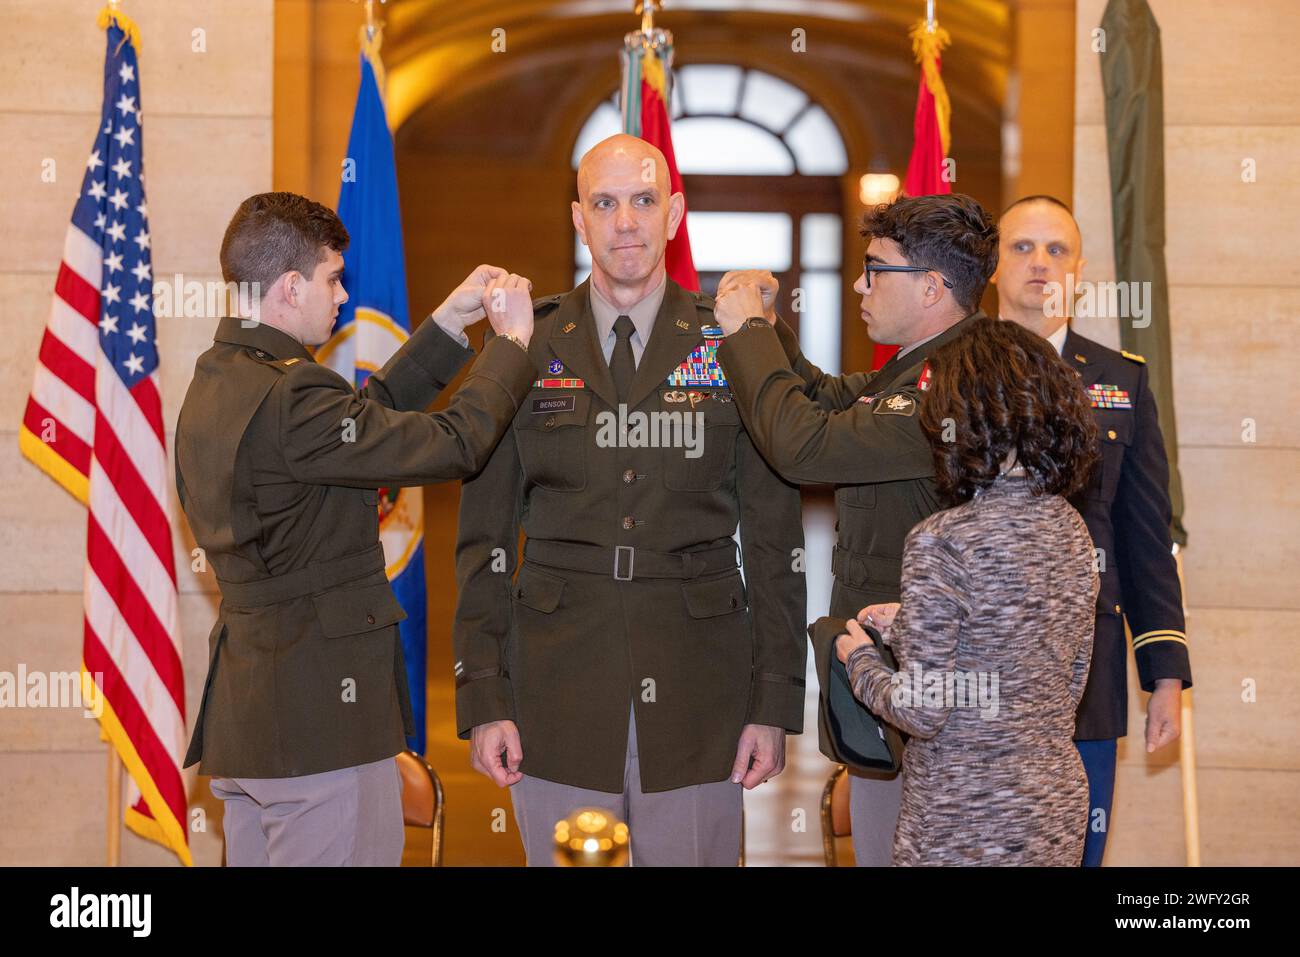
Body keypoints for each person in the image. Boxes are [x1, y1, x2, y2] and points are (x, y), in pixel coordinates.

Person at [452, 134, 807, 866]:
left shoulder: (731, 341)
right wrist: (484, 694)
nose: (625, 223)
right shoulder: (525, 342)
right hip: (556, 690)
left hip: (699, 695)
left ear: (673, 212)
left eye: (643, 201)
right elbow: (482, 539)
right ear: (578, 218)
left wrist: (773, 701)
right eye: (605, 203)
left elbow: (775, 541)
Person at [176, 191, 537, 866]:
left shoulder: (218, 379)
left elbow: (355, 426)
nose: (342, 297)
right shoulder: (293, 394)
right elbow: (453, 443)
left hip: (252, 725)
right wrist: (511, 348)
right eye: (331, 279)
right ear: (289, 287)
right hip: (323, 732)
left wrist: (445, 327)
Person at [711, 193, 999, 866]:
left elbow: (802, 446)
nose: (859, 284)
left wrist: (746, 336)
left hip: (929, 696)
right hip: (894, 681)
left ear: (931, 286)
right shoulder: (919, 364)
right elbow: (821, 398)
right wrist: (773, 327)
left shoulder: (949, 385)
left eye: (876, 270)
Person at [832, 315, 1102, 865]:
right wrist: (910, 623)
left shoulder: (942, 540)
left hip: (962, 813)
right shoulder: (1072, 528)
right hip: (1053, 803)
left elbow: (923, 711)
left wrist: (861, 660)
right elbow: (1060, 677)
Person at [994, 194, 1192, 865]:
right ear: (994, 266)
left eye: (1057, 251)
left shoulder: (1121, 381)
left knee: (1078, 851)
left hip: (1087, 677)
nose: (1040, 264)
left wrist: (1162, 670)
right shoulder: (949, 373)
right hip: (970, 677)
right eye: (1022, 247)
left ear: (1079, 270)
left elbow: (1144, 537)